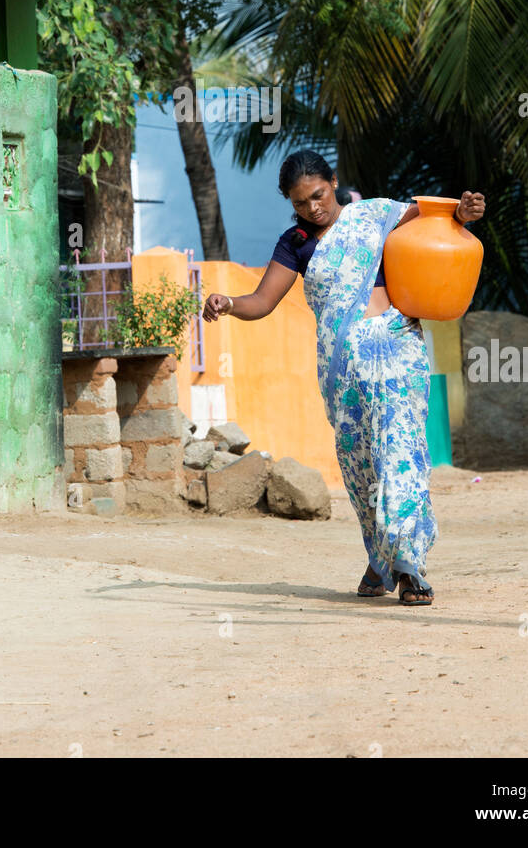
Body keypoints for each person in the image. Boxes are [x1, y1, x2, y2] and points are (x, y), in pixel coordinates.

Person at [202, 149, 486, 607]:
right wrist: (228, 303)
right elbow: (262, 301)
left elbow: (434, 215)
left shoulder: (372, 215)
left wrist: (464, 213)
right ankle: (379, 560)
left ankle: (409, 567)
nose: (312, 209)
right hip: (342, 370)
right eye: (299, 203)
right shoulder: (294, 242)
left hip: (395, 351)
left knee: (400, 454)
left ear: (332, 182)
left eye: (317, 195)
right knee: (361, 467)